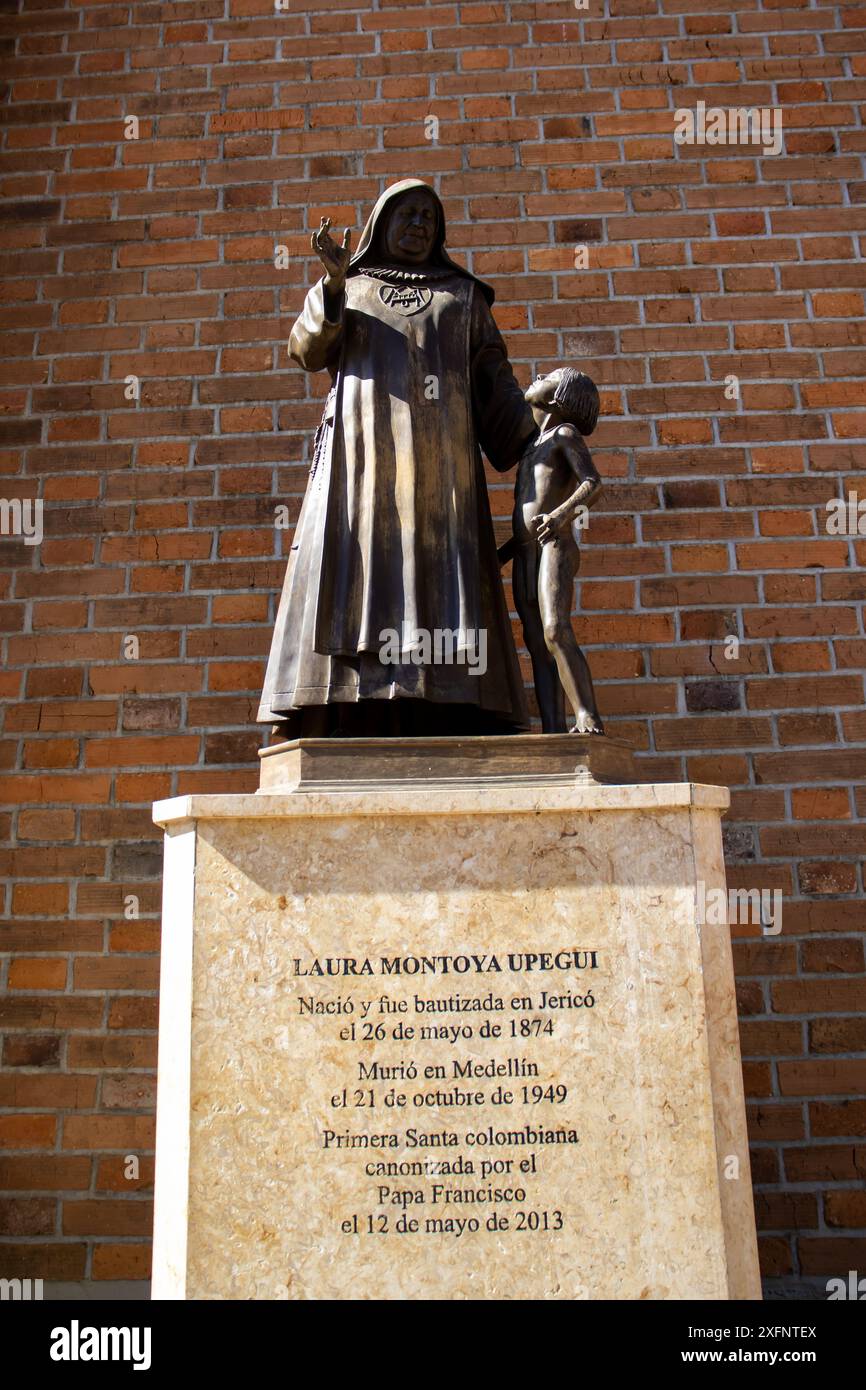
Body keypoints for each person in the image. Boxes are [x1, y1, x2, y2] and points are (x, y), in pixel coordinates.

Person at [258, 179, 539, 738]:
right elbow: (306, 350)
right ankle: (335, 708)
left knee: (439, 572)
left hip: (442, 476)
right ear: (381, 223)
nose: (418, 225)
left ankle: (451, 708)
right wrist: (333, 285)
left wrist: (535, 435)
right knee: (354, 567)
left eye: (429, 218)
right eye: (406, 214)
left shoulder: (463, 297)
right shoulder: (351, 287)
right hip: (356, 470)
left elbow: (494, 383)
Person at [505, 367, 605, 735]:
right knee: (535, 645)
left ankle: (587, 715)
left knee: (554, 630)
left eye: (546, 375)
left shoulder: (565, 434)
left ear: (559, 395)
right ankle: (552, 729)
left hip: (554, 544)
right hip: (525, 552)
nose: (536, 376)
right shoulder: (532, 446)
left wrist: (561, 515)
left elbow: (593, 484)